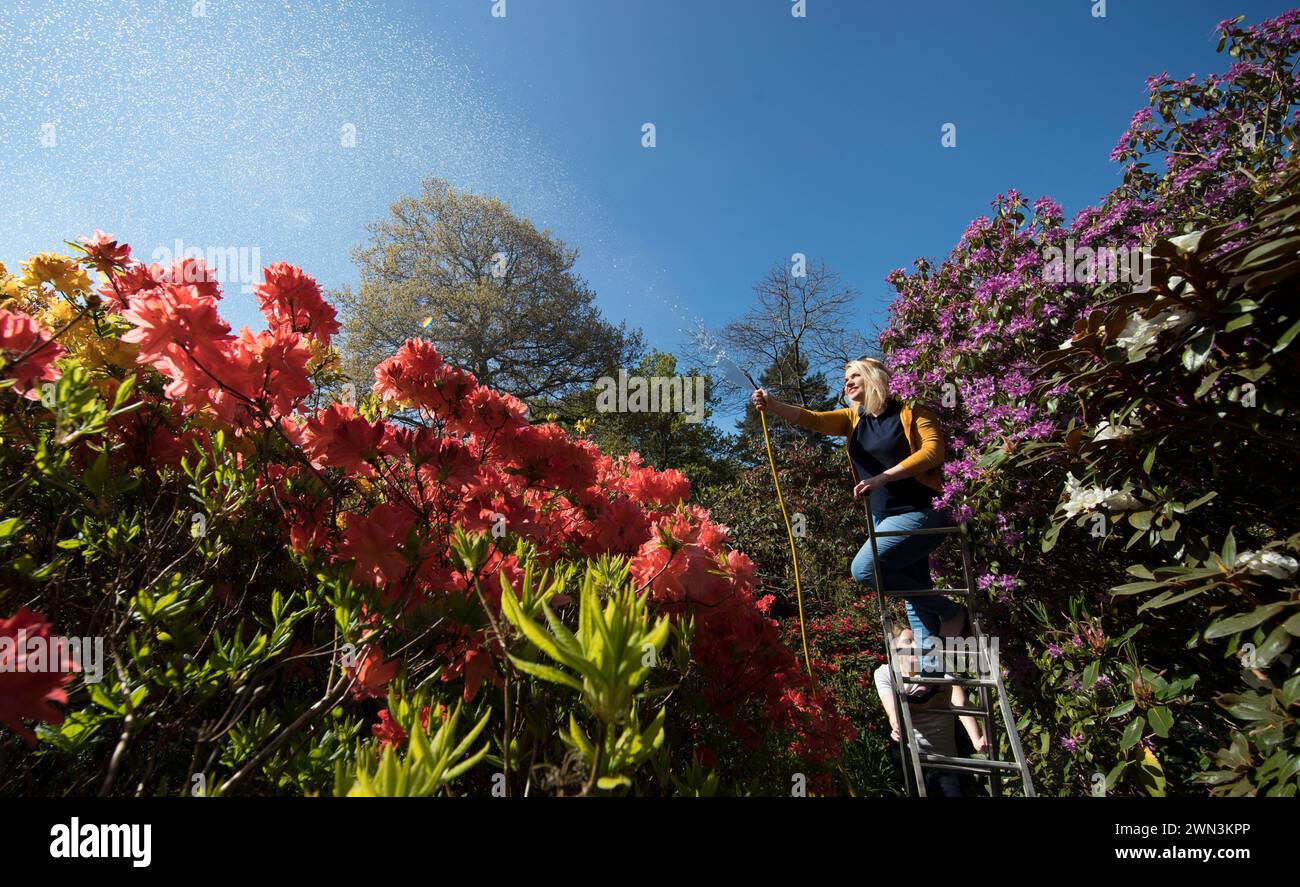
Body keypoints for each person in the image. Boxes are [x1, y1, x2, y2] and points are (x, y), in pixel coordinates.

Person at [751, 357, 966, 674]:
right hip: (883, 518)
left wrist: (883, 477)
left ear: (874, 378)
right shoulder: (853, 418)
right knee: (914, 590)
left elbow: (934, 451)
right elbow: (812, 419)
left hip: (923, 511)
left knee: (864, 570)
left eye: (854, 376)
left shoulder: (910, 410)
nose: (847, 382)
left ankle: (950, 612)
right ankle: (932, 670)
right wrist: (772, 404)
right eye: (845, 378)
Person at [875, 624, 988, 797]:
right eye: (909, 641)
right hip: (911, 753)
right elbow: (890, 705)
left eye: (917, 641)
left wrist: (976, 739)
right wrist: (895, 721)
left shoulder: (935, 667)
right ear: (895, 649)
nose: (916, 646)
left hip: (943, 757)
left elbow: (960, 701)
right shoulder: (885, 673)